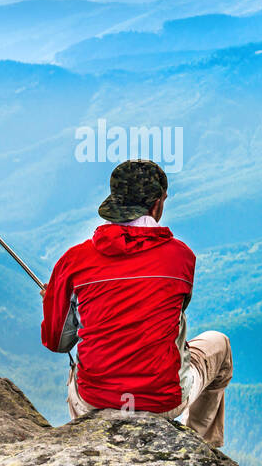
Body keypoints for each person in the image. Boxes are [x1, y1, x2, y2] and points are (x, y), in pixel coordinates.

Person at [40, 159, 233, 447]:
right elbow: (170, 315)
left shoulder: (73, 261)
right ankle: (200, 449)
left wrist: (57, 301)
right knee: (220, 344)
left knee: (81, 364)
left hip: (94, 403)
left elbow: (58, 343)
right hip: (164, 403)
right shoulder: (181, 258)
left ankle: (91, 444)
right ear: (157, 205)